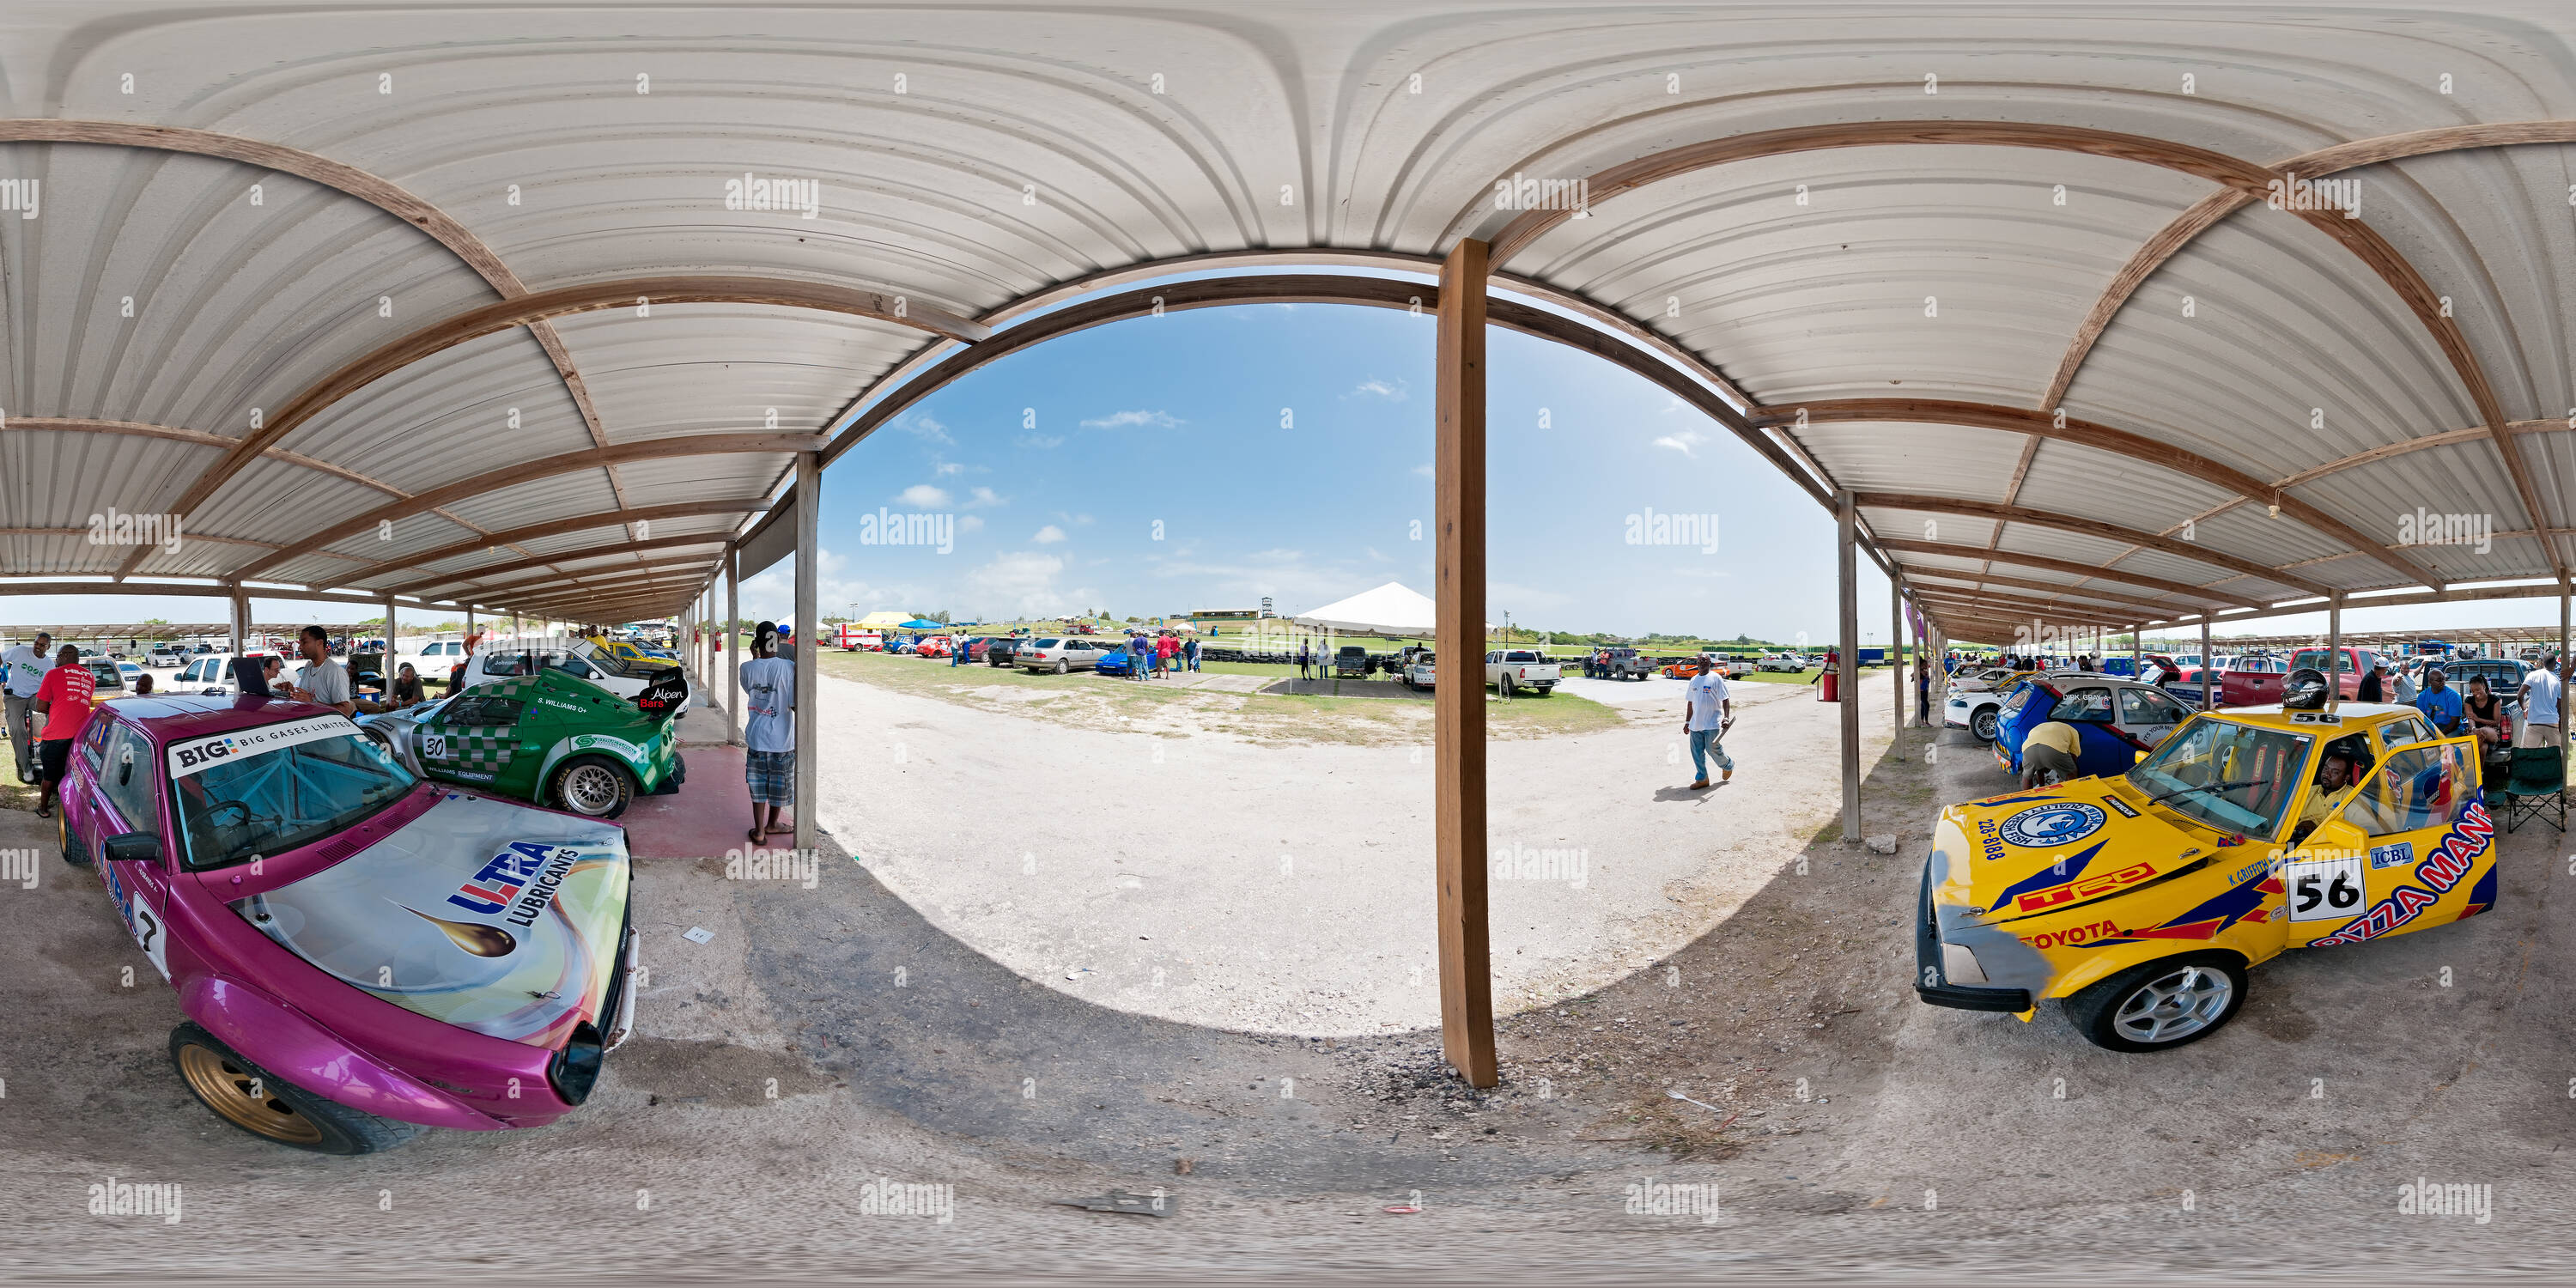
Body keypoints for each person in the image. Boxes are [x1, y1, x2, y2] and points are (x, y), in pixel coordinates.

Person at [739, 622, 797, 843]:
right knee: (778, 784)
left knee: (758, 784)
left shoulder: (747, 668)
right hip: (782, 739)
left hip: (757, 737)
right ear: (777, 641)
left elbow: (751, 688)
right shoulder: (788, 667)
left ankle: (760, 830)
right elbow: (792, 703)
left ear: (757, 643)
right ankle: (773, 824)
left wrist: (755, 657)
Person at [30, 645, 94, 818]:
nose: (56, 659)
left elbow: (41, 706)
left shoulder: (53, 674)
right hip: (80, 736)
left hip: (56, 736)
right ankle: (72, 807)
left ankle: (43, 808)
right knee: (73, 773)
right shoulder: (90, 676)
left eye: (58, 655)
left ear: (65, 655)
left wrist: (57, 709)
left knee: (49, 775)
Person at [3, 630, 51, 785]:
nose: (37, 647)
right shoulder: (20, 651)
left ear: (48, 647)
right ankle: (27, 768)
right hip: (15, 695)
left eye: (42, 645)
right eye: (36, 643)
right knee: (17, 730)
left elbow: (50, 687)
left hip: (34, 696)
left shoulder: (49, 665)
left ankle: (48, 746)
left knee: (55, 712)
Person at [1681, 656, 1735, 789]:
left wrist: (1726, 717)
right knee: (1696, 752)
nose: (1702, 662)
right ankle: (1702, 779)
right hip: (1695, 724)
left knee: (1712, 749)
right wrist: (1688, 722)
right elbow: (1690, 703)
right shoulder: (1693, 680)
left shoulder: (1716, 678)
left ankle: (1728, 765)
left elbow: (1725, 699)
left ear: (1710, 663)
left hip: (1712, 722)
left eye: (1705, 660)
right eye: (1700, 660)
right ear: (1697, 663)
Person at [283, 624, 355, 716]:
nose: (300, 647)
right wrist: (292, 691)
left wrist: (313, 703)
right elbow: (307, 697)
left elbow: (345, 710)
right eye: (300, 643)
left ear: (320, 643)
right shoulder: (308, 667)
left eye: (304, 642)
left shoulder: (335, 672)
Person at [2290, 749, 2360, 843]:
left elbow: (2353, 838)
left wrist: (2317, 830)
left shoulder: (2353, 799)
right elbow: (2287, 822)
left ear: (2346, 777)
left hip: (2328, 850)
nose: (2327, 774)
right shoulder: (2307, 791)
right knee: (2282, 855)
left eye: (2335, 772)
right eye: (2326, 768)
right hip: (2295, 843)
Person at [2020, 720, 2082, 788]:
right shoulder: (2074, 733)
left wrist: (2042, 786)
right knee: (2072, 771)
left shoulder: (2046, 727)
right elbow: (2073, 759)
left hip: (2028, 749)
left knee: (2027, 776)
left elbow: (2039, 769)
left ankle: (2028, 797)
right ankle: (2072, 793)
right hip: (2053, 747)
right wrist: (2063, 774)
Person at [2519, 653, 2563, 750]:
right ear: (2555, 664)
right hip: (2552, 723)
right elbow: (2559, 706)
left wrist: (2524, 709)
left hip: (2534, 722)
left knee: (2530, 756)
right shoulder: (2557, 681)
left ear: (2542, 663)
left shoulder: (2533, 675)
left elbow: (2520, 695)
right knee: (2554, 756)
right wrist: (2559, 726)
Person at [2463, 675, 2508, 758]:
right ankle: (2480, 771)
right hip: (2474, 729)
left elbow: (2496, 722)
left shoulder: (2494, 700)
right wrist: (2474, 729)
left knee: (2482, 731)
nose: (2476, 693)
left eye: (2478, 690)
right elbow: (2470, 718)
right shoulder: (2469, 700)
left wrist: (2478, 719)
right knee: (2483, 747)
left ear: (2483, 686)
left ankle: (2466, 763)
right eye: (2473, 691)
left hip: (2491, 730)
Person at [2414, 665, 2463, 736]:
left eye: (2444, 679)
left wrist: (2439, 736)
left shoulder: (2453, 696)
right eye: (2439, 680)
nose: (2442, 682)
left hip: (2450, 727)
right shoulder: (2422, 696)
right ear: (2430, 682)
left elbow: (2455, 722)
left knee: (2446, 743)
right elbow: (2422, 719)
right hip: (2433, 726)